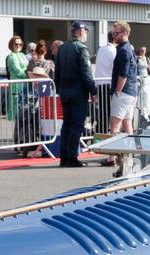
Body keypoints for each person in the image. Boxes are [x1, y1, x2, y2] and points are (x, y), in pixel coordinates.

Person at [54, 21, 95, 167]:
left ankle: (64, 157)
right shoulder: (81, 49)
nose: (86, 34)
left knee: (67, 124)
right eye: (86, 31)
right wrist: (93, 91)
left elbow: (57, 73)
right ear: (80, 31)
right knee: (76, 125)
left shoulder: (62, 48)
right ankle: (71, 157)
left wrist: (60, 90)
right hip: (78, 93)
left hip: (65, 92)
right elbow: (86, 73)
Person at [108, 20, 137, 141]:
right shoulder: (128, 48)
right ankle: (129, 154)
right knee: (127, 124)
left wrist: (118, 91)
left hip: (123, 93)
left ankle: (112, 157)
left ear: (124, 33)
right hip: (131, 92)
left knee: (114, 126)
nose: (114, 35)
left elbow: (123, 74)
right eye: (114, 33)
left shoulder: (123, 50)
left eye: (116, 33)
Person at [6, 35, 28, 123]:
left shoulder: (22, 55)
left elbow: (27, 66)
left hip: (24, 84)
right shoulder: (11, 56)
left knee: (24, 106)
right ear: (12, 45)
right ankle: (18, 133)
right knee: (16, 106)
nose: (18, 46)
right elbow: (18, 71)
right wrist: (28, 74)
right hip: (16, 85)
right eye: (16, 44)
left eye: (20, 44)